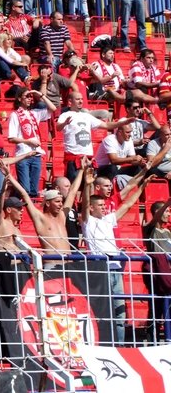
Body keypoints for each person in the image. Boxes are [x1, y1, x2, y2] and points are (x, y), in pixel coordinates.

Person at [80, 168, 146, 344]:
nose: (104, 207)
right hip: (100, 269)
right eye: (100, 205)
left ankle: (121, 346)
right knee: (102, 311)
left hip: (116, 268)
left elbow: (127, 205)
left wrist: (142, 186)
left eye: (104, 205)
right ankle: (104, 345)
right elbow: (85, 204)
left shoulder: (108, 219)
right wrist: (87, 186)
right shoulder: (88, 221)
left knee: (119, 311)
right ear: (92, 207)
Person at [57, 91, 132, 179]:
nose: (81, 101)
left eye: (81, 99)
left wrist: (123, 122)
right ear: (70, 102)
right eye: (77, 99)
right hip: (74, 159)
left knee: (88, 187)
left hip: (88, 159)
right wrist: (65, 123)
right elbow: (58, 127)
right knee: (74, 186)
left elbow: (107, 125)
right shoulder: (65, 115)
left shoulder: (86, 116)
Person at [7, 87, 55, 197]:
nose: (30, 99)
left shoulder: (34, 113)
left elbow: (53, 108)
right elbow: (11, 138)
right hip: (23, 155)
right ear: (19, 99)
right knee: (25, 190)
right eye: (26, 97)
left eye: (30, 97)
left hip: (36, 154)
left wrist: (40, 94)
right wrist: (28, 142)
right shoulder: (15, 115)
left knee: (34, 191)